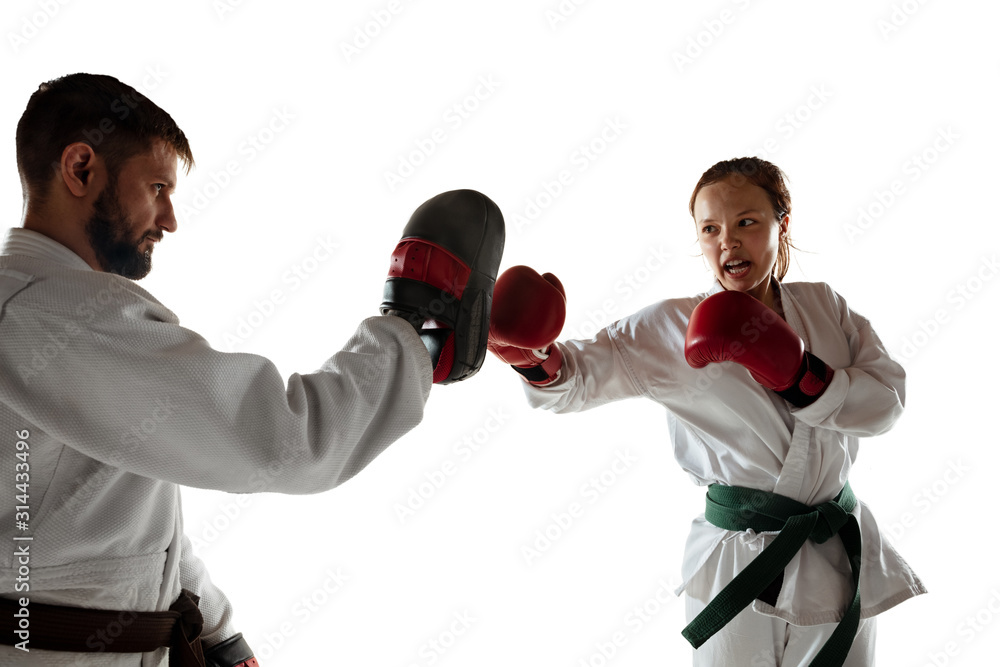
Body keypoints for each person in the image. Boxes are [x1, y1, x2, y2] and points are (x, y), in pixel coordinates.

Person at [0, 73, 504, 666]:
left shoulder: (33, 305)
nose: (169, 218)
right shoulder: (60, 315)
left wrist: (216, 631)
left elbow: (122, 516)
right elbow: (286, 441)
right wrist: (412, 334)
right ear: (81, 169)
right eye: (157, 186)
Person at [488, 157, 926, 666]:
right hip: (736, 559)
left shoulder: (826, 307)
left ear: (781, 226)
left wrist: (803, 377)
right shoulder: (672, 325)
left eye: (747, 222)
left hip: (834, 552)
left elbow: (886, 404)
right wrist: (532, 356)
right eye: (710, 229)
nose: (728, 242)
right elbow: (578, 378)